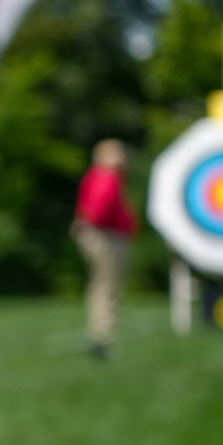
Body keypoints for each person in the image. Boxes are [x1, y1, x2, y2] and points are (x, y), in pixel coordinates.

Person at [73, 137, 137, 358]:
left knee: (104, 284)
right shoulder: (106, 177)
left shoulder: (104, 177)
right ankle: (102, 334)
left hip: (102, 234)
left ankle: (103, 332)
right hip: (104, 236)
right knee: (106, 285)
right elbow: (99, 210)